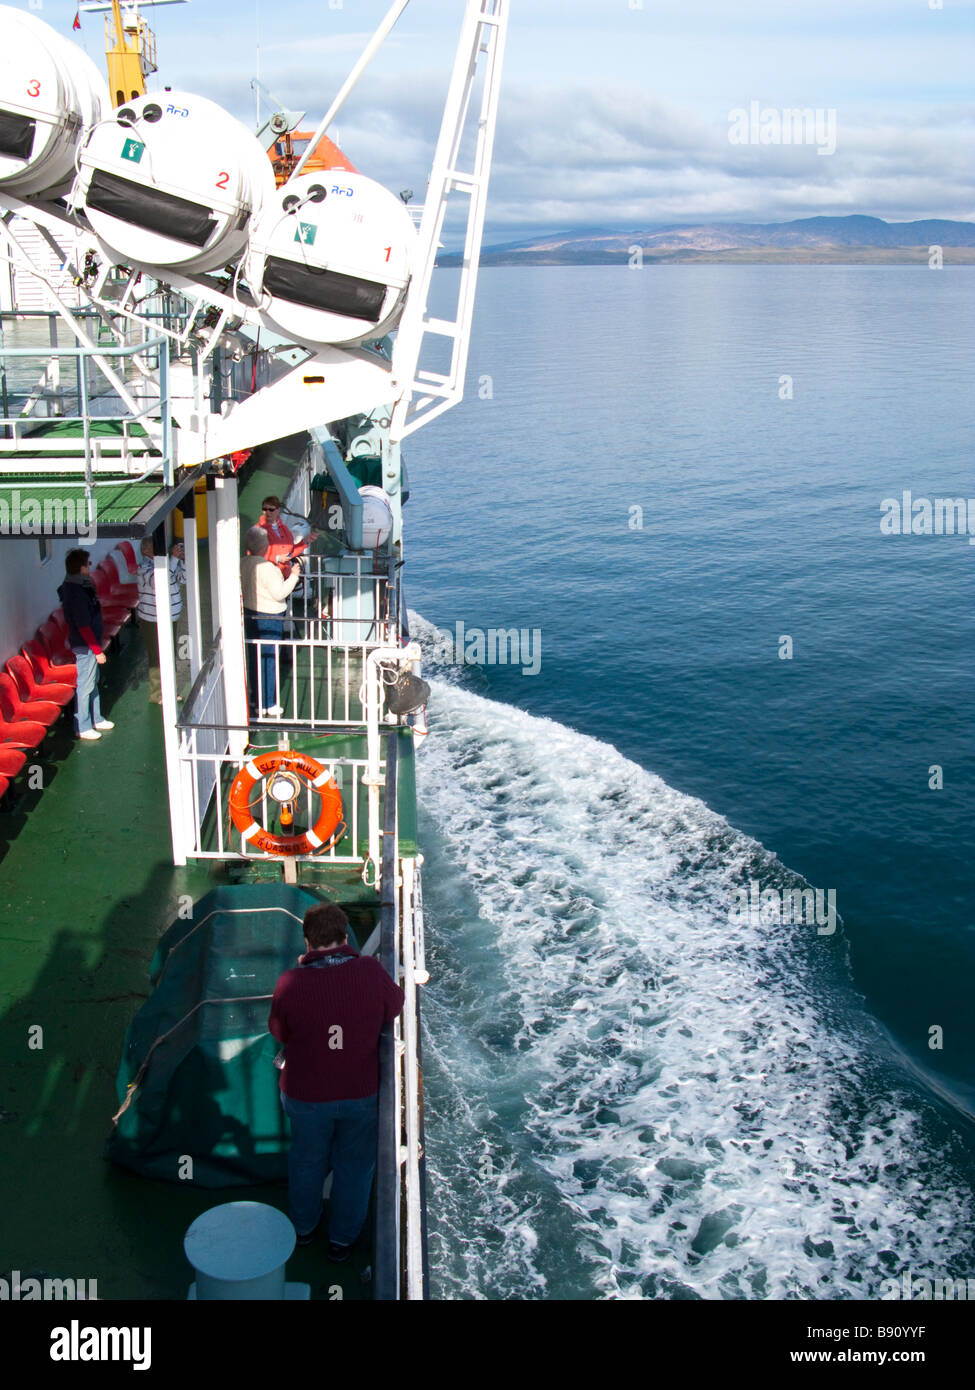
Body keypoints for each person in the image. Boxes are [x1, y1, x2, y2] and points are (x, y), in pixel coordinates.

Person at [269, 902, 404, 1257]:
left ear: (308, 943)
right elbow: (395, 1005)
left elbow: (278, 1030)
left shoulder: (290, 982)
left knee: (306, 1161)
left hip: (306, 1095)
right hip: (360, 1094)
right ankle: (342, 1242)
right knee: (355, 1168)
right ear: (345, 937)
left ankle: (303, 1229)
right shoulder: (370, 971)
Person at [240, 524, 302, 717]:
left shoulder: (243, 563)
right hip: (270, 617)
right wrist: (293, 576)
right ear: (264, 545)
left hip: (250, 614)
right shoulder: (267, 569)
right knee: (269, 660)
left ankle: (254, 698)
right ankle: (267, 704)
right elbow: (279, 593)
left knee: (255, 658)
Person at [57, 549, 114, 741]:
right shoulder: (76, 593)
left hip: (90, 644)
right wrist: (97, 651)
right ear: (81, 567)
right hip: (86, 646)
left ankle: (96, 718)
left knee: (93, 682)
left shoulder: (80, 584)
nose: (90, 566)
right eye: (88, 564)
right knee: (85, 685)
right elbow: (83, 625)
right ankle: (82, 726)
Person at [136, 537, 186, 705]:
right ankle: (157, 694)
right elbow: (160, 581)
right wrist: (173, 560)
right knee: (157, 656)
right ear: (145, 551)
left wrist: (183, 561)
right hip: (152, 619)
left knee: (169, 653)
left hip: (170, 617)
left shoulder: (166, 564)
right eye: (155, 546)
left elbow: (182, 579)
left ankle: (170, 690)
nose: (161, 548)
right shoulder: (144, 568)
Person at [258, 495, 316, 574]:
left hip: (284, 576)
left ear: (277, 510)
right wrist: (277, 559)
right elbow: (254, 555)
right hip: (267, 575)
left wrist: (305, 541)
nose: (267, 512)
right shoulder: (257, 530)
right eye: (265, 509)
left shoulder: (284, 529)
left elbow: (290, 552)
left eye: (271, 509)